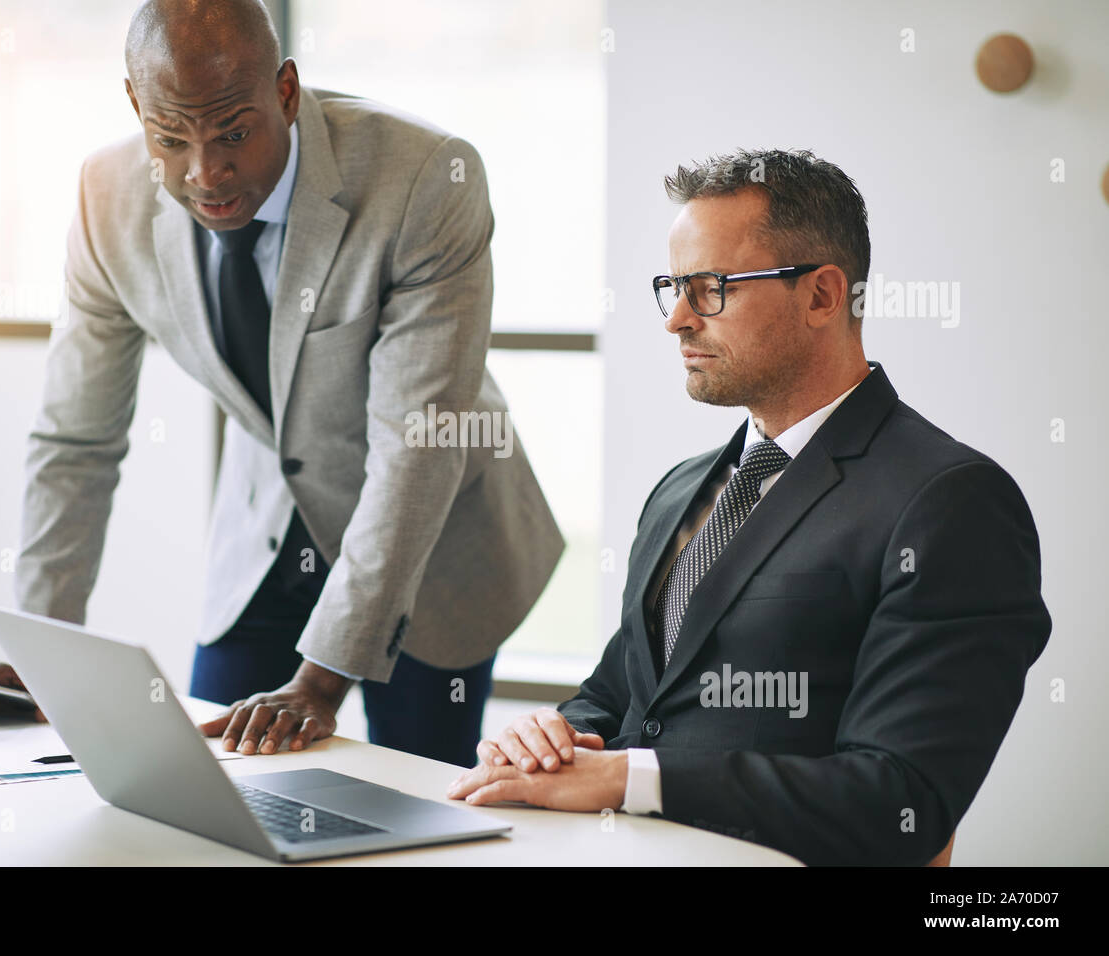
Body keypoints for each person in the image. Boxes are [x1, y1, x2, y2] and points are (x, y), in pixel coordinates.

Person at [0, 0, 563, 768]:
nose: (206, 173)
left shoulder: (423, 179)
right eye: (172, 139)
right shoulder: (106, 197)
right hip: (262, 534)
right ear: (136, 103)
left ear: (286, 92)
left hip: (430, 541)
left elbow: (416, 448)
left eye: (234, 131)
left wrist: (320, 684)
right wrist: (42, 657)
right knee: (203, 789)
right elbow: (75, 441)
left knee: (419, 804)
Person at [447, 149, 1051, 866]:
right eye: (673, 286)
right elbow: (624, 695)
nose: (676, 319)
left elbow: (903, 802)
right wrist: (550, 737)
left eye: (709, 288)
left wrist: (631, 777)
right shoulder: (681, 488)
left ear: (823, 297)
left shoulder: (952, 503)